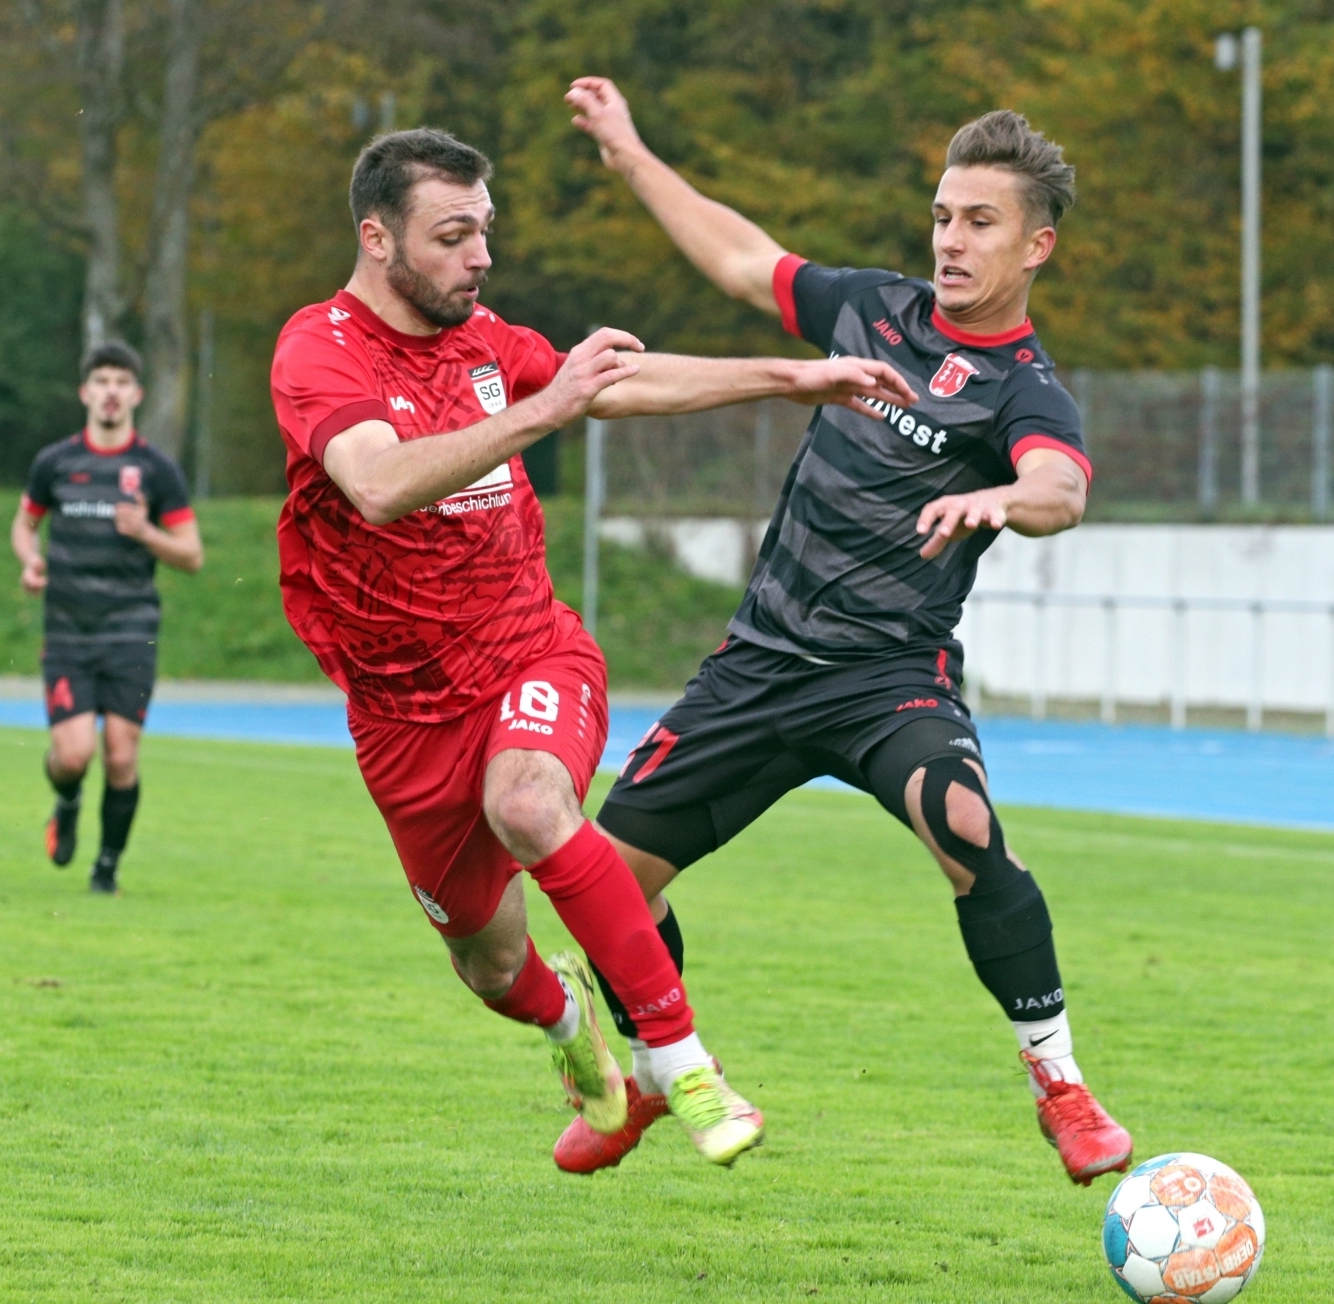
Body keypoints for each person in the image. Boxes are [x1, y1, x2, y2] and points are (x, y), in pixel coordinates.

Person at [268, 127, 916, 1166]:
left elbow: (616, 381)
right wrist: (549, 407)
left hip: (529, 648)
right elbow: (379, 484)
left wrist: (792, 378)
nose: (481, 256)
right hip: (400, 710)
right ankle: (572, 1028)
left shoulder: (484, 338)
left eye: (486, 230)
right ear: (377, 238)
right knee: (489, 962)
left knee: (529, 802)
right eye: (453, 235)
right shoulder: (319, 348)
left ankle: (683, 1061)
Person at [559, 78, 1133, 1185]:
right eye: (942, 215)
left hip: (886, 679)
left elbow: (1060, 488)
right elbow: (738, 254)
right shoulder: (871, 307)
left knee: (966, 827)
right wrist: (629, 149)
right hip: (761, 667)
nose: (951, 241)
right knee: (601, 879)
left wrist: (998, 499)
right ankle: (647, 1071)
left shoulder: (1026, 391)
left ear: (1037, 246)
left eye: (980, 222)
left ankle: (1060, 1082)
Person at [12, 341, 204, 894]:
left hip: (131, 631)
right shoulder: (55, 462)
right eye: (102, 381)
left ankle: (106, 870)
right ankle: (67, 799)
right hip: (69, 630)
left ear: (137, 395)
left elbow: (191, 554)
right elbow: (24, 524)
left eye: (122, 382)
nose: (112, 392)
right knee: (73, 755)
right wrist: (31, 561)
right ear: (85, 393)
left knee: (121, 756)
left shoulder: (154, 470)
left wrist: (145, 532)